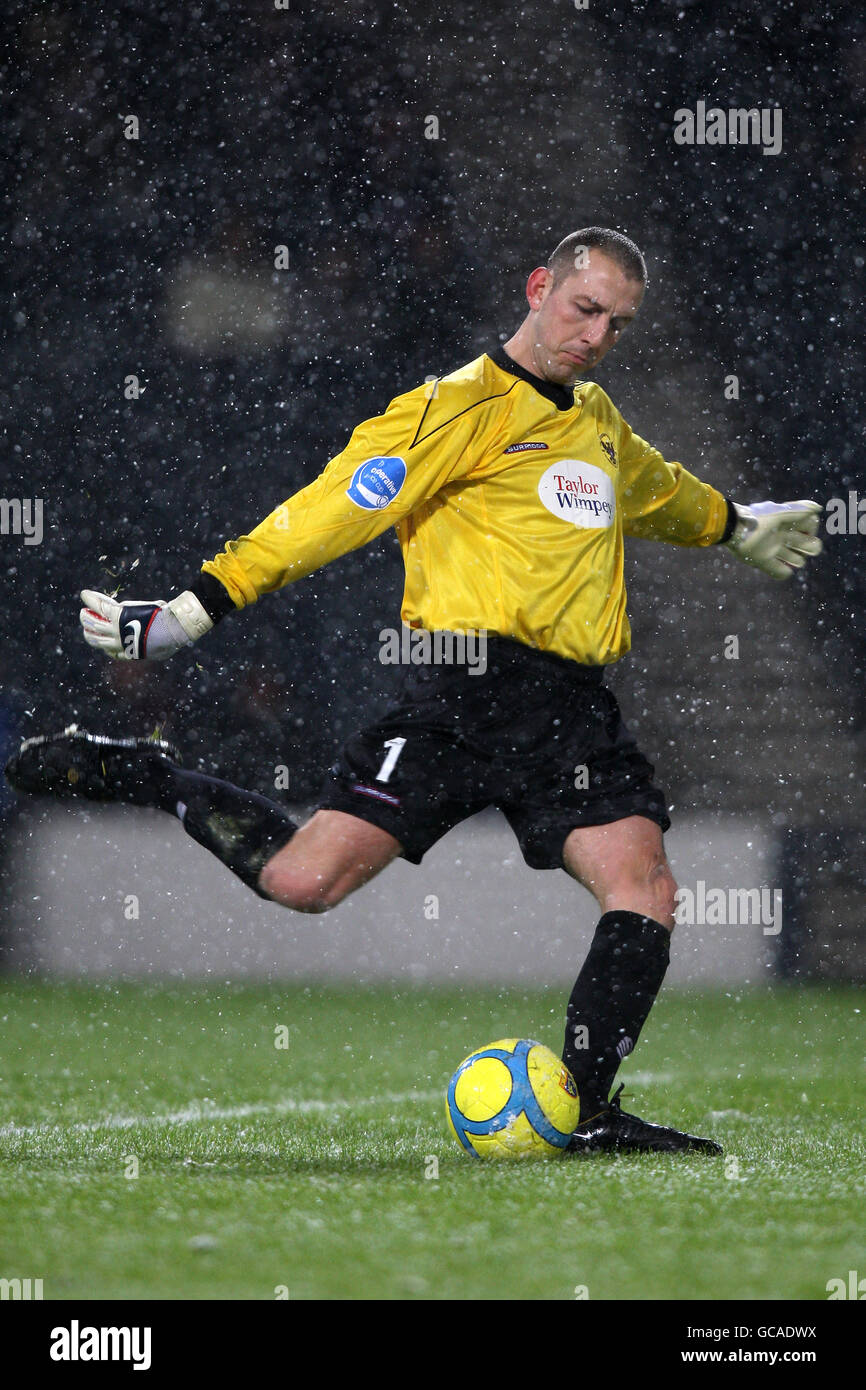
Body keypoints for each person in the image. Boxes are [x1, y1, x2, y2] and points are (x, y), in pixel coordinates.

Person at [6, 227, 822, 1155]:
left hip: (574, 714)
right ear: (538, 287)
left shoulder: (595, 418)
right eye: (583, 307)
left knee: (646, 890)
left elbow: (656, 490)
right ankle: (151, 776)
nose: (596, 334)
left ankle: (583, 1109)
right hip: (465, 697)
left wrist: (734, 525)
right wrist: (194, 609)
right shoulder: (456, 407)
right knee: (303, 883)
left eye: (617, 323)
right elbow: (328, 508)